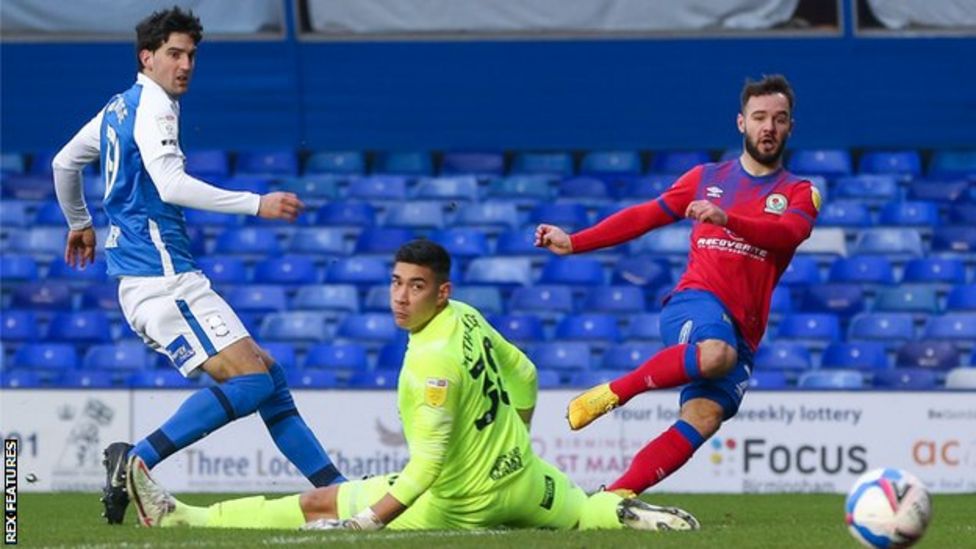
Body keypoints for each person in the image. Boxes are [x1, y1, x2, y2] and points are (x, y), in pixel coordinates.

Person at [125, 240, 700, 532]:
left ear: (440, 292)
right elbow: (525, 371)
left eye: (416, 287)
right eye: (397, 283)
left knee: (317, 503)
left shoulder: (429, 365)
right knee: (579, 513)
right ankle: (621, 513)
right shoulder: (467, 316)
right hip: (525, 480)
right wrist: (516, 438)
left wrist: (369, 520)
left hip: (457, 502)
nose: (401, 297)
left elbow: (425, 470)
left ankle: (184, 519)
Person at [51, 7, 345, 524]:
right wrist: (257, 203)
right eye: (174, 54)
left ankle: (337, 490)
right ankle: (136, 460)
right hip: (163, 279)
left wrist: (79, 222)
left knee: (268, 380)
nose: (185, 65)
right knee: (254, 384)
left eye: (191, 55)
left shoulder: (119, 107)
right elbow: (170, 185)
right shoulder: (156, 107)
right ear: (148, 57)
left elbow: (64, 162)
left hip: (153, 280)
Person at [535, 75, 820, 495]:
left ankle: (613, 499)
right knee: (716, 354)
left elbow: (787, 235)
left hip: (745, 327)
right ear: (741, 123)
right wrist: (575, 241)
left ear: (790, 127)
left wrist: (729, 220)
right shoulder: (706, 177)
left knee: (703, 416)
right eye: (759, 117)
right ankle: (614, 392)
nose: (769, 127)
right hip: (695, 302)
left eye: (779, 119)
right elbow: (644, 216)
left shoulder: (800, 191)